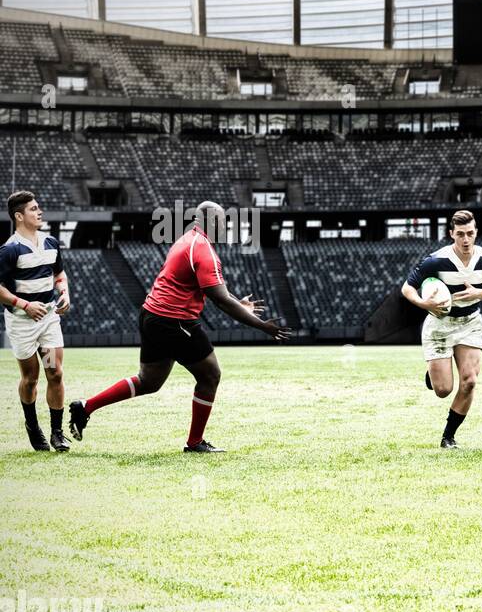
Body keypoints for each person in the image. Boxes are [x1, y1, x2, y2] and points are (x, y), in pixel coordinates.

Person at [69, 201, 291, 451]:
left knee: (149, 381)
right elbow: (220, 299)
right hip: (174, 321)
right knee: (210, 375)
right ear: (212, 221)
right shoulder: (204, 249)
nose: (225, 226)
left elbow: (204, 290)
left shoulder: (187, 240)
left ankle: (85, 407)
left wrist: (237, 302)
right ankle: (195, 442)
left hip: (152, 315)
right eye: (222, 221)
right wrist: (262, 326)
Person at [400, 210, 482, 449]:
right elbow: (407, 288)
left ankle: (448, 437)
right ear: (452, 234)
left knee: (470, 381)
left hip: (470, 323)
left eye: (470, 233)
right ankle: (434, 375)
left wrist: (480, 292)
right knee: (443, 390)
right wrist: (424, 303)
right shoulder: (436, 260)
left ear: (476, 233)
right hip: (440, 325)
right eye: (460, 234)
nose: (466, 239)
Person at [0, 190, 71, 451]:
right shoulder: (9, 250)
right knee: (31, 378)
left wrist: (64, 293)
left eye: (38, 207)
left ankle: (57, 432)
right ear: (19, 216)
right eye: (33, 209)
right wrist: (25, 305)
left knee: (55, 371)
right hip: (22, 324)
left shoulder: (51, 242)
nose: (39, 212)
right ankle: (33, 426)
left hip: (48, 322)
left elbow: (60, 275)